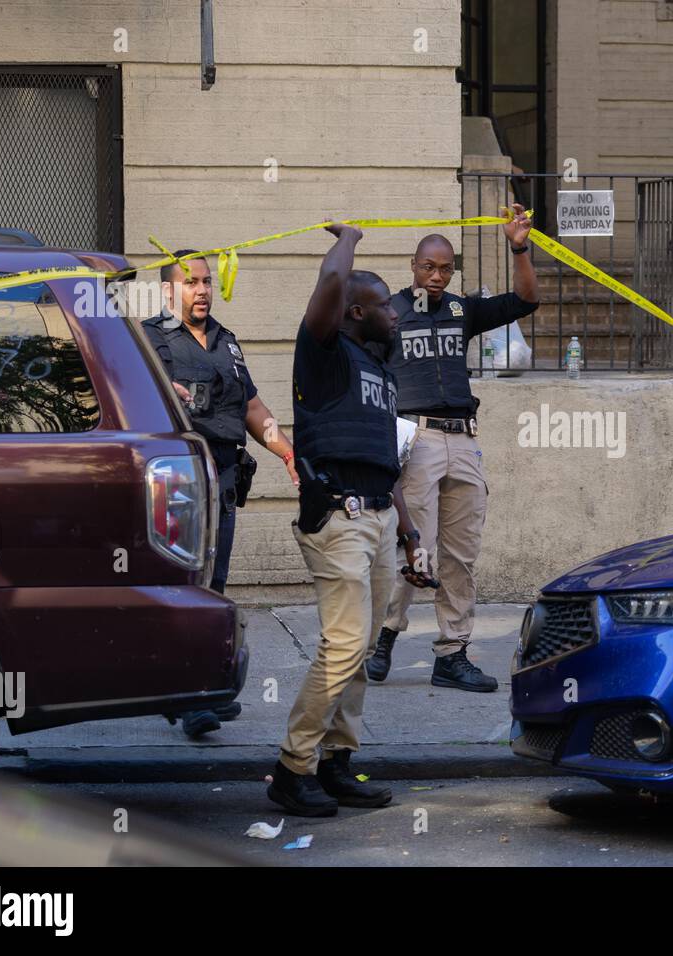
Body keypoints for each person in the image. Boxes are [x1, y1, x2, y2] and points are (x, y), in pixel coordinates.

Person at [267, 220, 434, 817]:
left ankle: (337, 761)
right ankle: (292, 768)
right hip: (339, 518)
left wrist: (412, 535)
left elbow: (385, 463)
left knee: (361, 648)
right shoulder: (323, 355)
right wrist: (349, 238)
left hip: (381, 520)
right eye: (385, 305)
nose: (396, 314)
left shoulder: (380, 374)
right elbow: (332, 280)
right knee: (342, 646)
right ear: (356, 312)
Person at [365, 204, 539, 691]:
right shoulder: (391, 312)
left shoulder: (463, 310)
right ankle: (384, 640)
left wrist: (519, 246)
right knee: (411, 547)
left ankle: (452, 652)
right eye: (429, 267)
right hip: (415, 437)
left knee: (460, 554)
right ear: (413, 267)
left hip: (463, 437)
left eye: (445, 268)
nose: (437, 276)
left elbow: (526, 300)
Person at [142, 252, 298, 739]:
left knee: (214, 585)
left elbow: (250, 405)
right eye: (191, 282)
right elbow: (132, 394)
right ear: (169, 291)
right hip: (177, 482)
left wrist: (288, 453)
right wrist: (165, 390)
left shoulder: (227, 343)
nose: (202, 290)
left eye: (207, 281)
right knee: (185, 587)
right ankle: (189, 699)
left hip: (223, 480)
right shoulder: (148, 339)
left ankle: (200, 689)